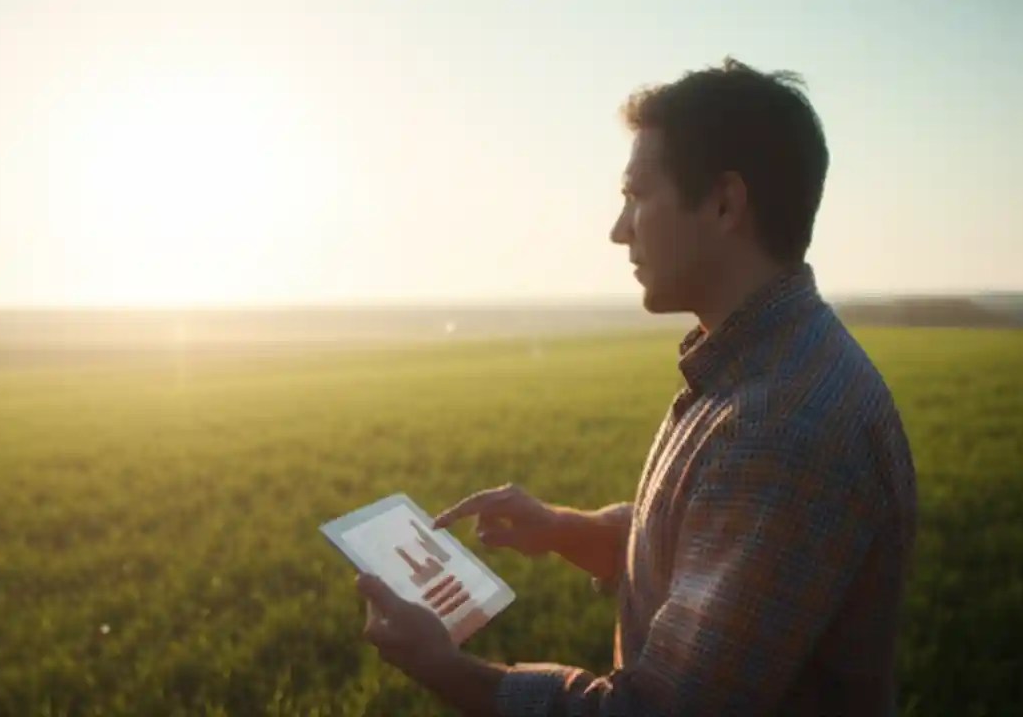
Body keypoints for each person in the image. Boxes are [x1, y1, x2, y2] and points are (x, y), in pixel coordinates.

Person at [354, 57, 918, 716]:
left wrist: (445, 668)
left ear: (724, 203)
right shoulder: (767, 372)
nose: (619, 229)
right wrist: (564, 529)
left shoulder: (779, 427)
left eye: (637, 196)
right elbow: (709, 557)